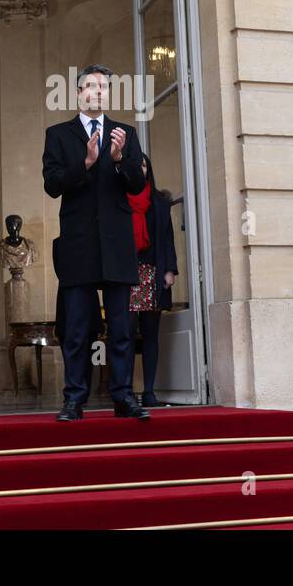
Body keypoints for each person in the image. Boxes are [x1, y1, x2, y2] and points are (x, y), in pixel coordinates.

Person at [43, 64, 148, 422]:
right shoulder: (58, 134)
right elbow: (52, 184)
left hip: (117, 245)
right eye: (90, 86)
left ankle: (123, 397)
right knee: (76, 329)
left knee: (122, 328)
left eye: (103, 87)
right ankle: (74, 399)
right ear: (77, 93)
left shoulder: (126, 134)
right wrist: (86, 163)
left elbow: (137, 186)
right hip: (79, 245)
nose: (97, 92)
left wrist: (118, 160)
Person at [126, 154, 177, 408]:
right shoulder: (119, 199)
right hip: (126, 275)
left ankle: (148, 392)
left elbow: (167, 239)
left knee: (150, 335)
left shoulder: (160, 202)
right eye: (137, 164)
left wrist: (170, 270)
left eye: (145, 164)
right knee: (124, 334)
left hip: (152, 273)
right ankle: (125, 392)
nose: (141, 168)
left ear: (149, 169)